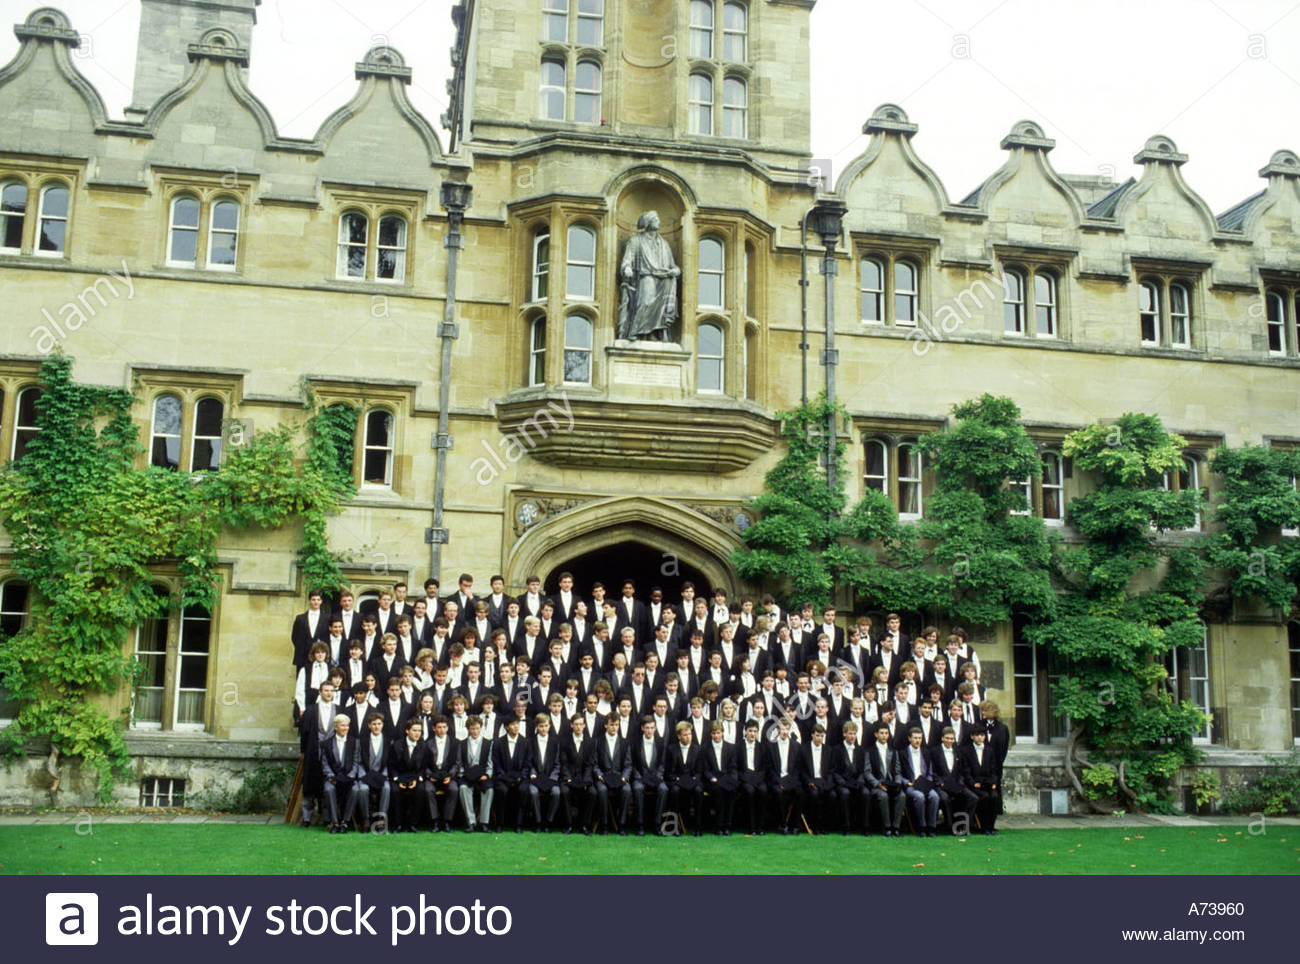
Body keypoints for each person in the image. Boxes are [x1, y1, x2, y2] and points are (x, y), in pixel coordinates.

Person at [618, 210, 680, 341]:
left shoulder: (664, 244)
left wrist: (675, 271)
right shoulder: (636, 241)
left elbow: (673, 266)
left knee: (664, 301)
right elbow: (627, 260)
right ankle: (637, 331)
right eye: (655, 219)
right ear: (648, 222)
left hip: (663, 279)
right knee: (646, 301)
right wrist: (627, 268)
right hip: (646, 276)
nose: (659, 221)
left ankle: (655, 334)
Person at [389, 717, 433, 833]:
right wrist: (398, 780)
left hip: (415, 777)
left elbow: (424, 767)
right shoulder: (396, 745)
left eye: (419, 731)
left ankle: (413, 824)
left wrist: (417, 779)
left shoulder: (424, 746)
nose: (417, 733)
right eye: (414, 730)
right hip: (399, 776)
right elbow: (391, 766)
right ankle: (398, 824)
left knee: (420, 790)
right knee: (395, 791)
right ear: (407, 731)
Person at [930, 726, 976, 836]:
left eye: (952, 739)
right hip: (941, 785)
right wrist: (940, 783)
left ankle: (962, 825)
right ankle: (950, 826)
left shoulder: (958, 751)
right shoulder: (935, 751)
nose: (950, 741)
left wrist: (960, 782)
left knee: (973, 798)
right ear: (942, 738)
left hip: (956, 784)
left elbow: (962, 771)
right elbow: (932, 772)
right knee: (945, 799)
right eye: (947, 738)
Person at [320, 713, 362, 833]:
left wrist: (351, 776)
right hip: (333, 778)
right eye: (342, 726)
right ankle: (335, 822)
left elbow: (356, 762)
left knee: (355, 789)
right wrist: (331, 776)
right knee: (329, 789)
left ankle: (345, 822)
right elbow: (325, 764)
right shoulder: (326, 743)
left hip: (349, 778)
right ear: (335, 727)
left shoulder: (355, 742)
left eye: (347, 726)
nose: (345, 728)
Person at [560, 712, 598, 834]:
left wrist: (586, 780)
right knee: (565, 791)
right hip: (569, 778)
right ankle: (569, 825)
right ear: (571, 725)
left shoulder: (591, 742)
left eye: (581, 724)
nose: (578, 727)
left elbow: (590, 764)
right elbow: (563, 763)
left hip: (584, 777)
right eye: (576, 724)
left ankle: (584, 825)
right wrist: (568, 779)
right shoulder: (564, 741)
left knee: (592, 792)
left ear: (584, 726)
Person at [958, 727, 1001, 834]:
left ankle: (991, 826)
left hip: (988, 783)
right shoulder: (965, 751)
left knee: (994, 797)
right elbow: (965, 770)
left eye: (982, 735)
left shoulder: (989, 750)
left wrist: (994, 782)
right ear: (972, 737)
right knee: (984, 797)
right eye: (977, 735)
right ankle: (983, 826)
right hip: (974, 784)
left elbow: (994, 769)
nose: (980, 738)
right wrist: (973, 783)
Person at [898, 727, 939, 836]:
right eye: (915, 738)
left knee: (934, 796)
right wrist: (907, 782)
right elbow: (898, 773)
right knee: (919, 796)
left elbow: (930, 772)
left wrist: (928, 782)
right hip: (910, 785)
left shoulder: (926, 752)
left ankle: (932, 827)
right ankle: (921, 826)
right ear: (909, 739)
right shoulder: (903, 753)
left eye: (920, 738)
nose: (918, 740)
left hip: (924, 784)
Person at [665, 720, 704, 836]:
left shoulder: (697, 749)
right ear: (679, 736)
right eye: (685, 735)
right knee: (675, 791)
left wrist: (693, 780)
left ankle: (698, 827)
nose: (688, 737)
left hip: (692, 780)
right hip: (677, 781)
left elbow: (699, 771)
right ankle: (675, 826)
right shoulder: (671, 749)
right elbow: (669, 772)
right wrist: (677, 779)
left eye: (690, 734)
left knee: (698, 791)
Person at [630, 715, 667, 835]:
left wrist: (658, 777)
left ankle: (657, 825)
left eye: (652, 727)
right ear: (642, 728)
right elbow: (633, 765)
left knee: (664, 789)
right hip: (640, 777)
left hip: (656, 777)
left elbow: (662, 764)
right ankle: (639, 825)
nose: (649, 730)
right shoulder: (635, 743)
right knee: (637, 788)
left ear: (655, 728)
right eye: (647, 727)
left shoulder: (661, 743)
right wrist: (639, 777)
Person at [866, 721, 903, 837]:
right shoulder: (869, 751)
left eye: (886, 733)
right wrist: (877, 784)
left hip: (891, 784)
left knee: (902, 795)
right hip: (878, 785)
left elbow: (897, 771)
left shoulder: (893, 751)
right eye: (881, 733)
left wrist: (897, 783)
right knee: (883, 796)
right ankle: (887, 827)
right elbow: (867, 772)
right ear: (876, 734)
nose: (884, 736)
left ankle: (896, 827)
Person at [596, 713, 631, 834]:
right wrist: (599, 775)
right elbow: (594, 763)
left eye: (616, 725)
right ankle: (605, 824)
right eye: (611, 725)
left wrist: (624, 777)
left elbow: (628, 764)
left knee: (626, 789)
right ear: (606, 725)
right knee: (602, 790)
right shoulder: (598, 741)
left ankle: (621, 825)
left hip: (619, 776)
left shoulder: (625, 742)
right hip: (603, 777)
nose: (614, 727)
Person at [458, 714, 494, 833]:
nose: (475, 731)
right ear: (468, 729)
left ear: (481, 728)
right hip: (467, 776)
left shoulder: (488, 743)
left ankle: (484, 822)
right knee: (463, 788)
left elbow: (490, 764)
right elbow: (460, 763)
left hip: (482, 776)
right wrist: (464, 774)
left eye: (477, 728)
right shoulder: (462, 744)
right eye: (472, 729)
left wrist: (487, 775)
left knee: (489, 790)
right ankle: (471, 822)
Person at [701, 720, 738, 835]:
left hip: (727, 780)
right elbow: (705, 770)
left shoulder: (731, 747)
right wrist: (712, 778)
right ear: (710, 734)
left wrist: (730, 779)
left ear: (722, 732)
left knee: (731, 792)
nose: (716, 736)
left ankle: (727, 826)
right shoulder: (705, 749)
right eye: (713, 733)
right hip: (713, 782)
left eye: (718, 733)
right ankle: (718, 826)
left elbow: (733, 767)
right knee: (719, 793)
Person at [426, 715, 461, 832]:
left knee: (454, 789)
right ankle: (435, 821)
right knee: (428, 790)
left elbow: (457, 763)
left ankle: (447, 821)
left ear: (448, 728)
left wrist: (450, 776)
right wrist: (430, 776)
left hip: (448, 776)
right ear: (434, 729)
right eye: (439, 727)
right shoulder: (427, 743)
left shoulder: (455, 743)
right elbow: (423, 764)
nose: (441, 729)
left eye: (444, 727)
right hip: (433, 776)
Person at [801, 724, 837, 833]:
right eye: (817, 735)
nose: (819, 738)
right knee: (814, 795)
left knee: (832, 795)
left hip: (824, 782)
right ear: (812, 735)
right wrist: (809, 782)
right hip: (811, 781)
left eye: (822, 736)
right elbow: (802, 771)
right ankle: (814, 826)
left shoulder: (828, 750)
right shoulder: (804, 749)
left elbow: (832, 770)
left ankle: (825, 826)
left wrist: (827, 783)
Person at [291, 590, 331, 669]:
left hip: (320, 657)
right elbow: (294, 637)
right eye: (313, 599)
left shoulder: (327, 618)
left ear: (321, 601)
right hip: (303, 657)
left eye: (318, 600)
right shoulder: (300, 618)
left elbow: (328, 637)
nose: (316, 602)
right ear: (309, 601)